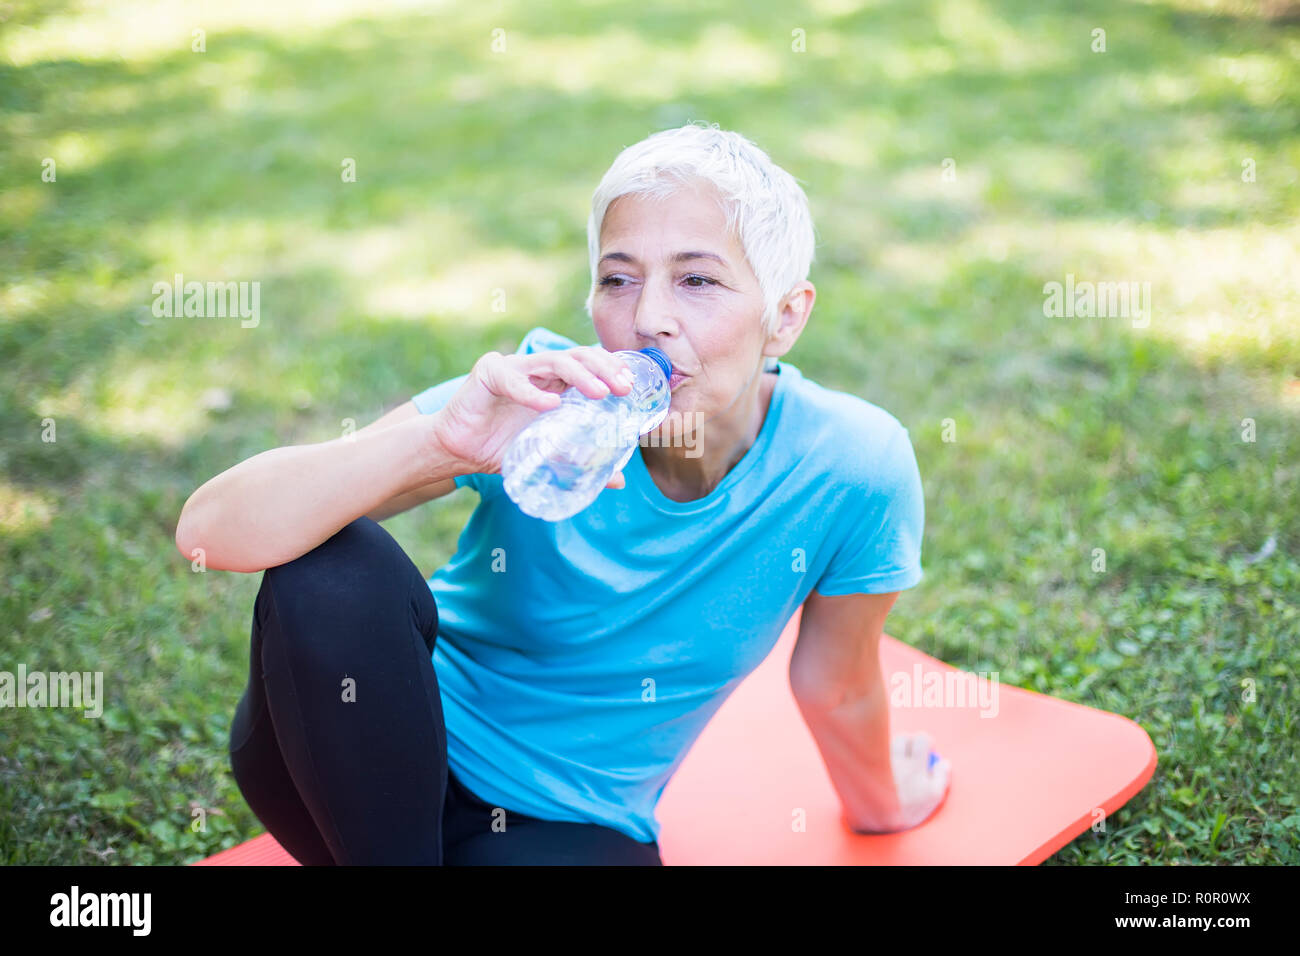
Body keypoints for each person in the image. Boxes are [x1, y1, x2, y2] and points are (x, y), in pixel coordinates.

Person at [175, 122, 951, 866]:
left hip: (566, 822)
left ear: (785, 317)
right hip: (357, 756)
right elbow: (210, 531)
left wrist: (882, 806)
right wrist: (442, 440)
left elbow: (836, 680)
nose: (648, 318)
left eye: (697, 280)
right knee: (332, 563)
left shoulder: (853, 465)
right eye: (619, 279)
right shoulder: (536, 397)